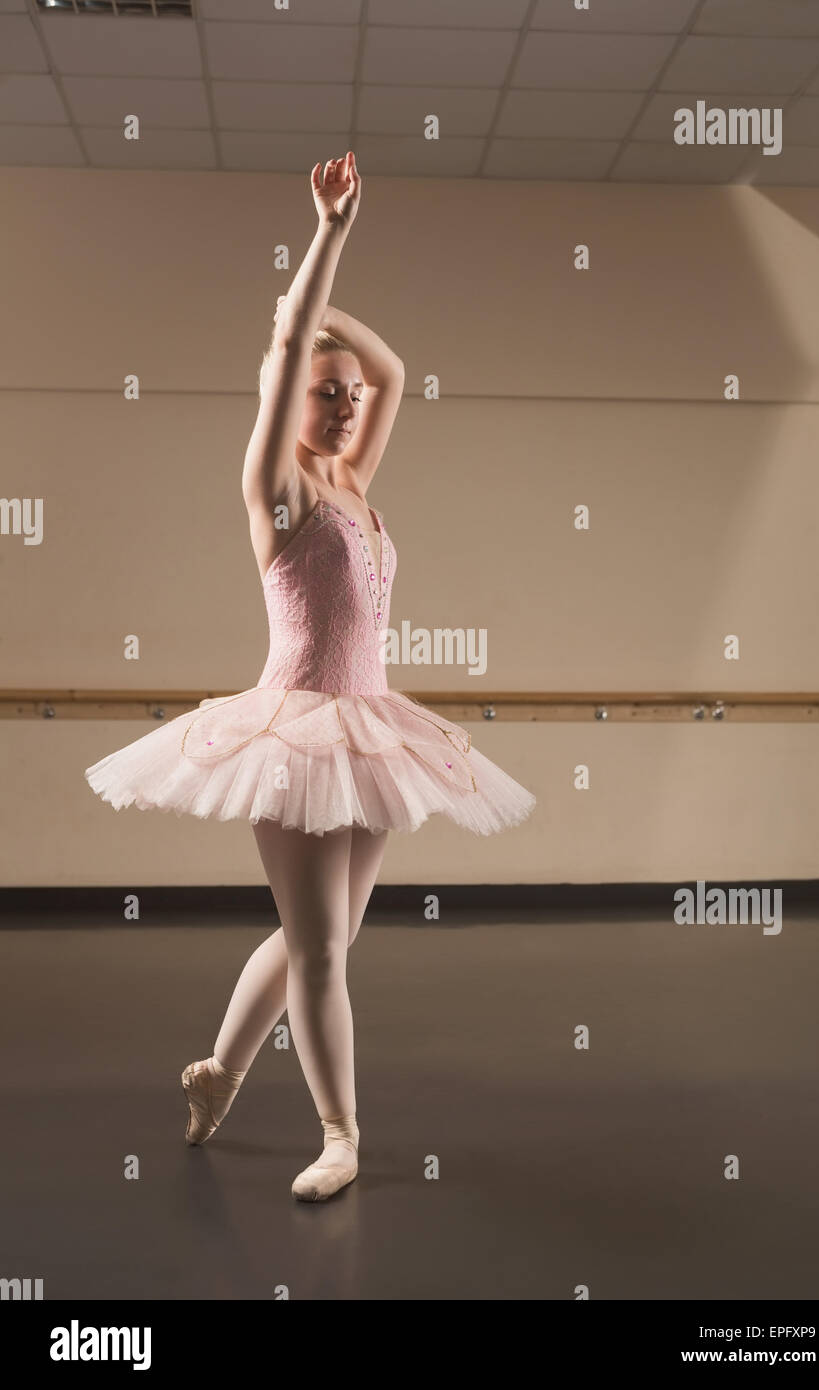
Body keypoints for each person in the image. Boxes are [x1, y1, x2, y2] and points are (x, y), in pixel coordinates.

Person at [85, 151, 536, 1201]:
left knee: (313, 941)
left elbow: (393, 372)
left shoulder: (353, 482)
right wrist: (325, 244)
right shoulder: (276, 485)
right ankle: (340, 1135)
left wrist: (333, 318)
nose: (339, 406)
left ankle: (221, 1072)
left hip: (371, 727)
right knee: (322, 949)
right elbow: (296, 345)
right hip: (293, 730)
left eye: (342, 396)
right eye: (320, 394)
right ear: (286, 401)